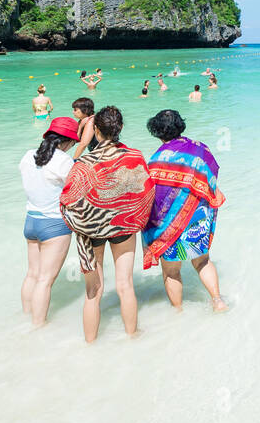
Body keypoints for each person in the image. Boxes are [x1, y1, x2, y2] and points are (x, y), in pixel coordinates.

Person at [59, 106, 151, 341]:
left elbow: (68, 200)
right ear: (120, 128)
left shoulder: (84, 162)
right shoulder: (135, 156)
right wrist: (133, 217)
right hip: (125, 225)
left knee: (93, 291)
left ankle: (90, 344)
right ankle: (133, 336)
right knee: (126, 285)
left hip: (93, 230)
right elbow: (146, 191)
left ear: (96, 130)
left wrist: (86, 221)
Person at [143, 109, 228, 312]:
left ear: (156, 131)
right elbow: (211, 176)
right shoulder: (201, 148)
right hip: (198, 217)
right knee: (202, 261)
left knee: (171, 271)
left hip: (169, 225)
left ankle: (178, 313)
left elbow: (154, 197)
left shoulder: (156, 160)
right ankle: (218, 301)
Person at [18, 118, 77, 326]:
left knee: (32, 274)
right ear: (67, 141)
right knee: (45, 280)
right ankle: (38, 326)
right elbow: (75, 191)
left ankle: (26, 318)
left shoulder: (28, 155)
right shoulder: (64, 161)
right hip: (54, 224)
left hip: (31, 220)